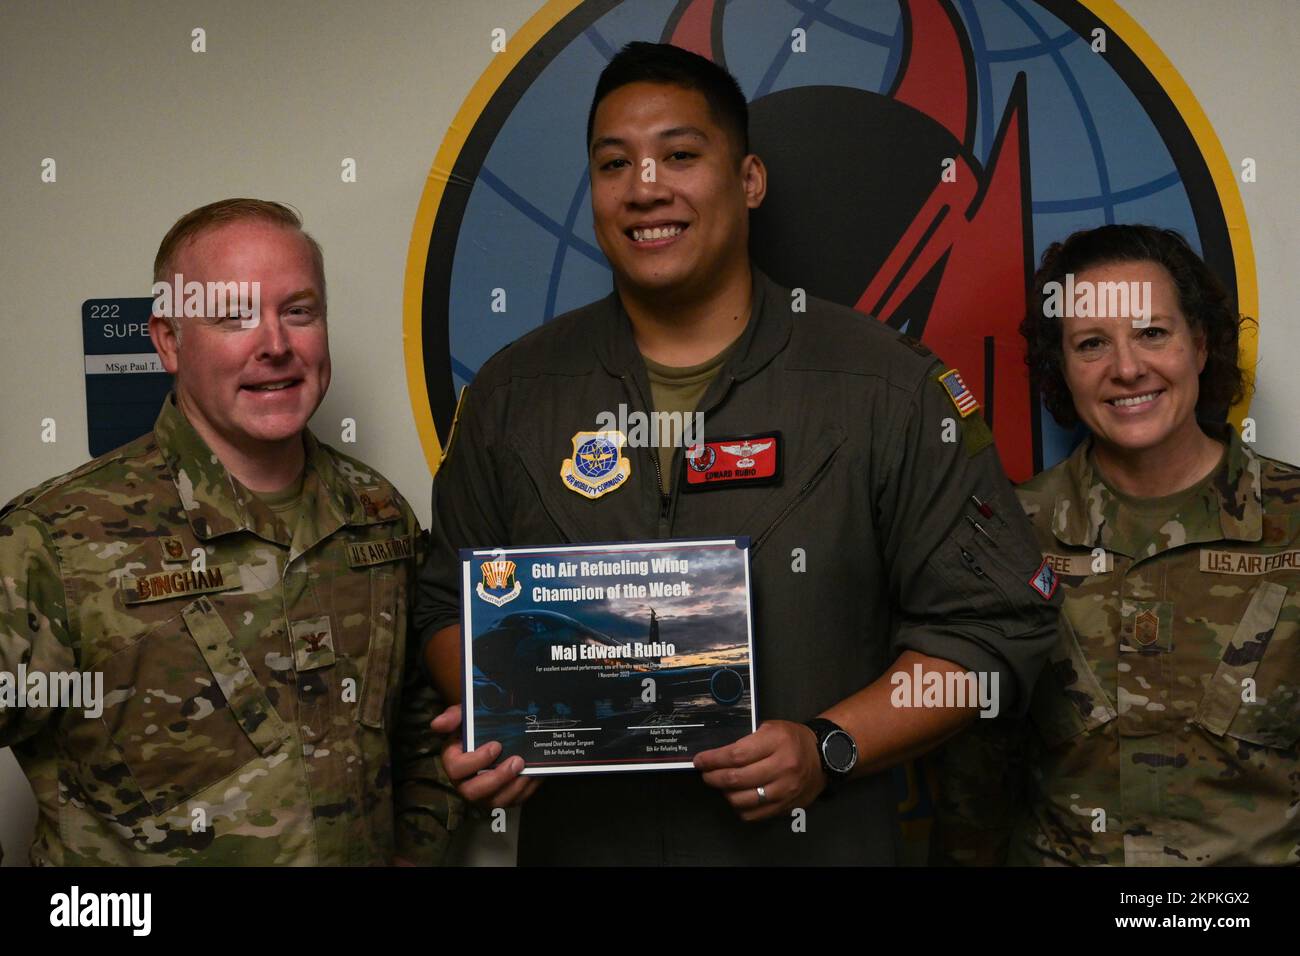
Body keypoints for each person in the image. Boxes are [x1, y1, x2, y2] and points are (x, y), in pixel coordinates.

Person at [415, 42, 1060, 865]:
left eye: (680, 155)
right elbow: (446, 608)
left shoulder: (883, 387)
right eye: (616, 164)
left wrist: (831, 745)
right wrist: (493, 706)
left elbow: (995, 628)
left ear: (748, 179)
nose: (646, 186)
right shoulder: (513, 394)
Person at [0, 198, 459, 865]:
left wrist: (417, 851)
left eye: (298, 311)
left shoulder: (378, 514)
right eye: (234, 315)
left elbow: (424, 718)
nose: (274, 344)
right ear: (168, 341)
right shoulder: (54, 540)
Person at [932, 223, 1298, 866]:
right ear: (1061, 368)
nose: (1128, 368)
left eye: (1153, 333)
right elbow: (974, 790)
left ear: (1201, 343)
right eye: (1093, 343)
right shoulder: (1008, 535)